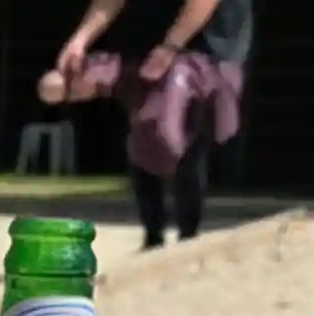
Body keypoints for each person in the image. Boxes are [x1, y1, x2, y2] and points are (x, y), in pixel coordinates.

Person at [56, 0, 252, 250]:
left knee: (183, 133)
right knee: (147, 128)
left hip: (210, 46)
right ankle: (154, 234)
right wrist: (80, 39)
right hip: (151, 42)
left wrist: (171, 46)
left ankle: (187, 233)